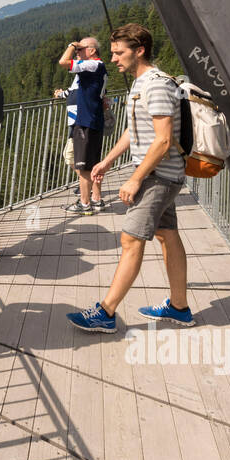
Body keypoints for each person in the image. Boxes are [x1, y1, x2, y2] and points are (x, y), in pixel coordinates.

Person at [66, 22, 194, 333]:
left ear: (139, 51)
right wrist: (107, 161)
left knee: (130, 240)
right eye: (112, 53)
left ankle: (106, 313)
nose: (114, 59)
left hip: (158, 177)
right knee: (167, 235)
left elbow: (162, 140)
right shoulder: (140, 83)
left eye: (119, 53)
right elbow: (135, 130)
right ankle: (179, 308)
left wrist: (135, 178)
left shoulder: (156, 85)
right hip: (159, 174)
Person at [57, 36, 107, 214]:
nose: (77, 52)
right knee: (92, 164)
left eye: (81, 48)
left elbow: (63, 62)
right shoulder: (100, 68)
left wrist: (71, 45)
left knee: (83, 167)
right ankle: (95, 199)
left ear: (92, 50)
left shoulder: (92, 65)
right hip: (94, 121)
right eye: (77, 49)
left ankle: (85, 204)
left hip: (85, 122)